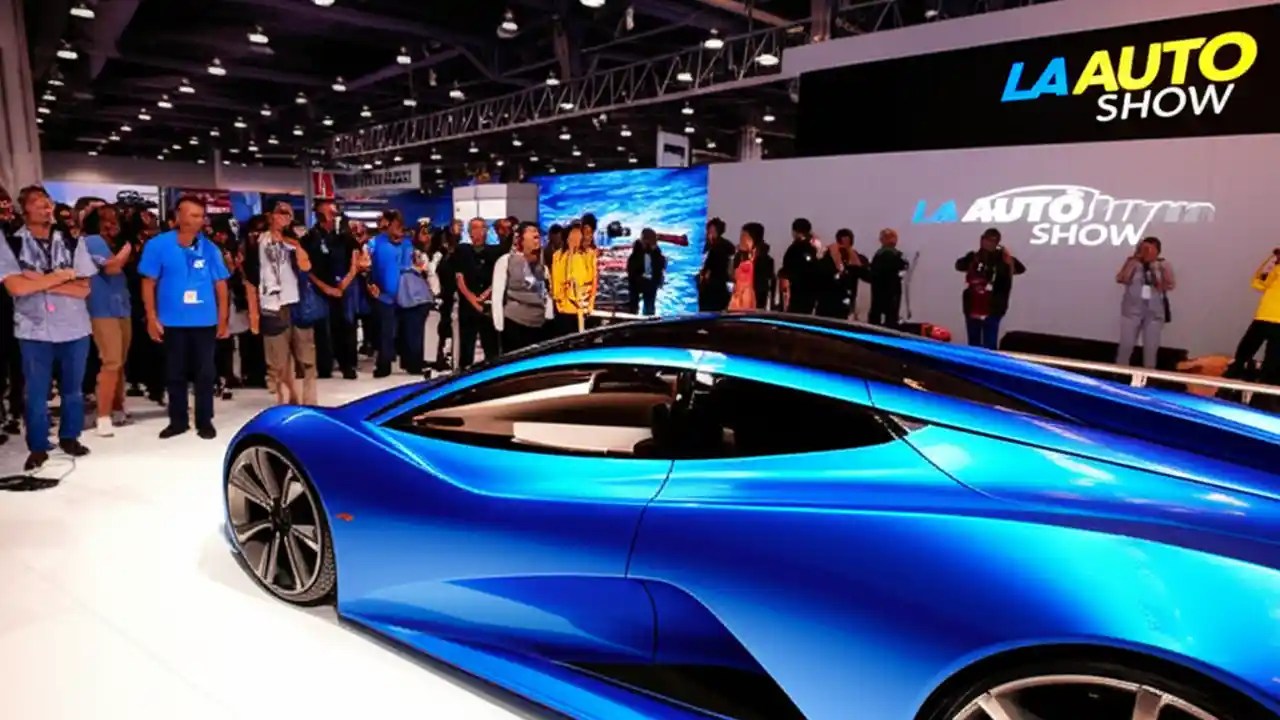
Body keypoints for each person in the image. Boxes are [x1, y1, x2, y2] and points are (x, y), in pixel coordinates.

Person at [0, 186, 96, 469]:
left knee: (73, 389)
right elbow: (15, 287)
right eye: (39, 204)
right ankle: (38, 445)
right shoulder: (11, 242)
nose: (46, 208)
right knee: (36, 392)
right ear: (25, 209)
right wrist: (59, 277)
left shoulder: (70, 239)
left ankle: (70, 436)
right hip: (34, 329)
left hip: (74, 326)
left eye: (48, 203)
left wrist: (39, 280)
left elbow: (83, 289)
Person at [139, 196, 230, 439]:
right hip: (172, 321)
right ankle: (177, 420)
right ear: (178, 216)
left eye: (201, 216)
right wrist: (151, 317)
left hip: (204, 321)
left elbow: (221, 285)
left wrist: (223, 318)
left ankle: (205, 420)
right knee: (174, 372)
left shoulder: (210, 249)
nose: (198, 221)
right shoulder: (158, 245)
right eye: (192, 215)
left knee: (205, 373)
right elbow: (148, 283)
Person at [246, 202, 316, 403]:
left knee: (307, 358)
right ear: (270, 216)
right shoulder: (256, 241)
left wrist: (295, 243)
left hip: (298, 304)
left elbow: (306, 266)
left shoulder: (297, 240)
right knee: (278, 362)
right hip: (271, 305)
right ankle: (286, 400)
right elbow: (250, 279)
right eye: (282, 213)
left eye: (290, 213)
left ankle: (310, 402)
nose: (287, 217)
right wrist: (253, 314)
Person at [83, 205, 134, 436]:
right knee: (111, 361)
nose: (112, 224)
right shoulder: (92, 241)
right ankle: (103, 415)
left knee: (120, 361)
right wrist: (128, 248)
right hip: (101, 308)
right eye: (106, 220)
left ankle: (117, 407)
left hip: (121, 306)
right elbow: (112, 267)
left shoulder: (114, 243)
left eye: (115, 219)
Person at [305, 198, 359, 380]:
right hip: (320, 289)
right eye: (330, 212)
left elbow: (355, 261)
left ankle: (347, 365)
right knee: (323, 330)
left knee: (346, 326)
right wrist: (325, 287)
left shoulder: (345, 236)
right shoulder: (310, 238)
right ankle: (324, 367)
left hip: (343, 288)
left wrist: (344, 283)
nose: (333, 216)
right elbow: (307, 268)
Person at [955, 228, 1026, 350]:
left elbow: (1020, 269)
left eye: (993, 241)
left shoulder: (1003, 259)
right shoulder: (974, 256)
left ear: (997, 243)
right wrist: (972, 261)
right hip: (973, 305)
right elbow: (959, 265)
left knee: (990, 343)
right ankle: (973, 366)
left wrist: (1007, 259)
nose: (989, 243)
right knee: (973, 343)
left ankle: (988, 366)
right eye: (986, 240)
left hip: (993, 306)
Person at [1115, 236, 1175, 368]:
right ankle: (1119, 373)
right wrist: (1134, 262)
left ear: (1157, 251)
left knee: (1151, 348)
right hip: (1132, 311)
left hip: (1154, 312)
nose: (1146, 252)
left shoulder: (1163, 264)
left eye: (1149, 249)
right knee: (1126, 345)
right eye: (1144, 248)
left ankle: (1148, 377)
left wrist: (1155, 272)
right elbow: (1121, 278)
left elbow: (1170, 285)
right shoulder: (1132, 262)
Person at [1225, 249, 1280, 390]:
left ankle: (1263, 401)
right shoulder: (1276, 261)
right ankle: (1227, 389)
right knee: (1243, 355)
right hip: (1264, 316)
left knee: (1272, 365)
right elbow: (1259, 283)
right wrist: (1274, 262)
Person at [453, 217, 500, 367]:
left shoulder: (495, 252)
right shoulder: (462, 251)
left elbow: (498, 278)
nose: (478, 232)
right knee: (466, 346)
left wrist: (485, 295)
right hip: (468, 306)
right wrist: (473, 300)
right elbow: (459, 278)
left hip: (487, 305)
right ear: (469, 232)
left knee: (491, 347)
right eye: (474, 228)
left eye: (481, 228)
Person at [498, 222, 550, 352]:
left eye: (537, 232)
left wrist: (548, 315)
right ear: (521, 238)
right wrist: (499, 325)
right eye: (531, 231)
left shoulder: (542, 265)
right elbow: (497, 295)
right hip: (514, 323)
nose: (536, 234)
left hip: (538, 324)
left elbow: (546, 293)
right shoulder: (506, 260)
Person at [551, 225, 598, 335]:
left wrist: (589, 304)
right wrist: (560, 301)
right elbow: (556, 283)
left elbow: (593, 280)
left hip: (583, 309)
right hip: (565, 311)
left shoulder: (589, 255)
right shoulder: (558, 256)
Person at [815, 228, 866, 320]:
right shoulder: (827, 258)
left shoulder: (855, 259)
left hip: (841, 305)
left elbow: (867, 276)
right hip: (828, 303)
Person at [868, 228, 909, 328]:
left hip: (880, 291)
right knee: (890, 318)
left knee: (877, 316)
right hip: (890, 291)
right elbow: (903, 266)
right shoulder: (894, 255)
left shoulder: (879, 254)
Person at [781, 218, 820, 314]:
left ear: (794, 231)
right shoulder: (813, 248)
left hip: (796, 293)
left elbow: (787, 271)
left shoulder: (794, 249)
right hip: (811, 293)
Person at [626, 228, 666, 316]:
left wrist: (657, 281)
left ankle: (648, 317)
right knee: (633, 304)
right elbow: (631, 269)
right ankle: (633, 315)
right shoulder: (637, 252)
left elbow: (660, 268)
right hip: (637, 282)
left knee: (649, 306)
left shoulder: (657, 253)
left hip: (650, 283)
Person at [698, 217, 733, 312]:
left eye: (712, 231)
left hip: (714, 287)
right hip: (716, 287)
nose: (709, 233)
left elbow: (709, 266)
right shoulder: (710, 246)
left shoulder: (718, 247)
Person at [729, 228, 758, 311]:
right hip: (737, 292)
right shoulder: (738, 256)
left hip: (746, 293)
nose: (741, 239)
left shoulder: (754, 257)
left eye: (744, 236)